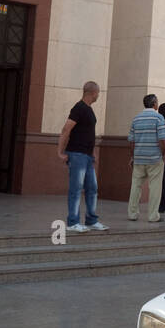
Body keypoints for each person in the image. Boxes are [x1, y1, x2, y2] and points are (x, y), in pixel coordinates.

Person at [58, 80, 108, 233]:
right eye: (98, 93)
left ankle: (91, 220)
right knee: (76, 188)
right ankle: (73, 222)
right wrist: (60, 151)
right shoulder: (78, 108)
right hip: (77, 154)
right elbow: (66, 129)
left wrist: (92, 152)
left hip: (87, 156)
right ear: (93, 92)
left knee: (92, 188)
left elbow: (88, 134)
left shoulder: (89, 109)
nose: (98, 95)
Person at [127, 94, 165, 223]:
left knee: (135, 186)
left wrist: (133, 156)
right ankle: (153, 216)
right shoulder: (158, 118)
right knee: (155, 187)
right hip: (154, 158)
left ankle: (132, 213)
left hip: (139, 158)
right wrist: (164, 154)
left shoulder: (136, 119)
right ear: (154, 104)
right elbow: (162, 139)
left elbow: (131, 141)